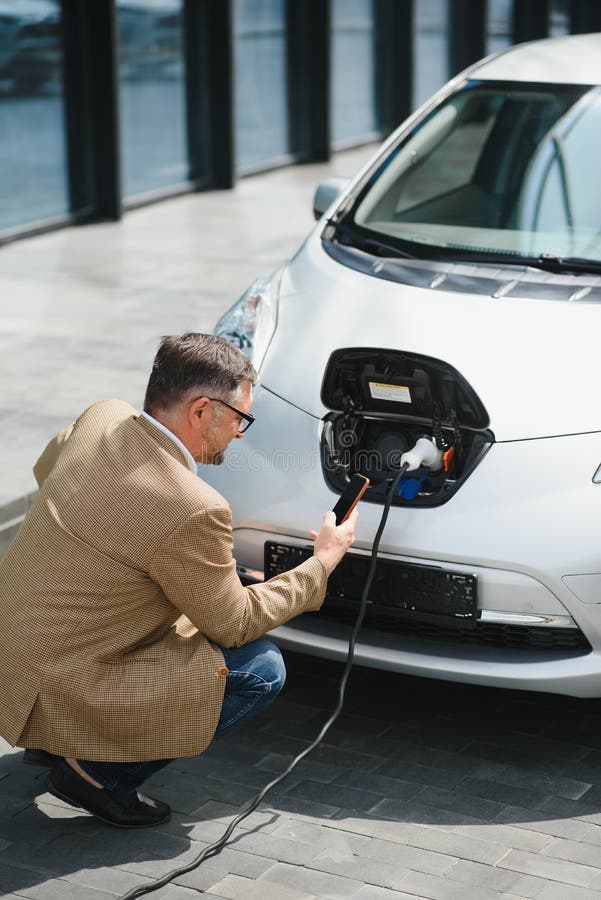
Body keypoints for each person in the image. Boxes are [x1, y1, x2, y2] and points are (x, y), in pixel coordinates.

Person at [0, 333, 357, 828]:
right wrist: (322, 563)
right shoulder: (193, 506)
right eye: (240, 418)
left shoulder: (102, 416)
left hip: (14, 654)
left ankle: (55, 745)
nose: (240, 433)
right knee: (260, 668)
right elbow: (234, 624)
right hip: (63, 680)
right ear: (201, 410)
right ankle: (96, 776)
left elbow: (49, 471)